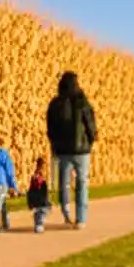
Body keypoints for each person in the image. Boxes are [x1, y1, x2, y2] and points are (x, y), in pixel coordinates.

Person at [46, 71, 97, 229]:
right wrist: (91, 138)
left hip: (63, 151)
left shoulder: (55, 103)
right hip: (82, 150)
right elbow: (90, 123)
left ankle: (67, 213)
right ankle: (81, 219)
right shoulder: (82, 102)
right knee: (82, 183)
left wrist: (54, 143)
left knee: (64, 183)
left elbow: (51, 127)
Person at [26, 157, 53, 234]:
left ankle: (38, 223)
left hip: (36, 198)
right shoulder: (39, 175)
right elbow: (39, 188)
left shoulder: (36, 175)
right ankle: (39, 225)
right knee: (42, 210)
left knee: (42, 210)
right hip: (39, 199)